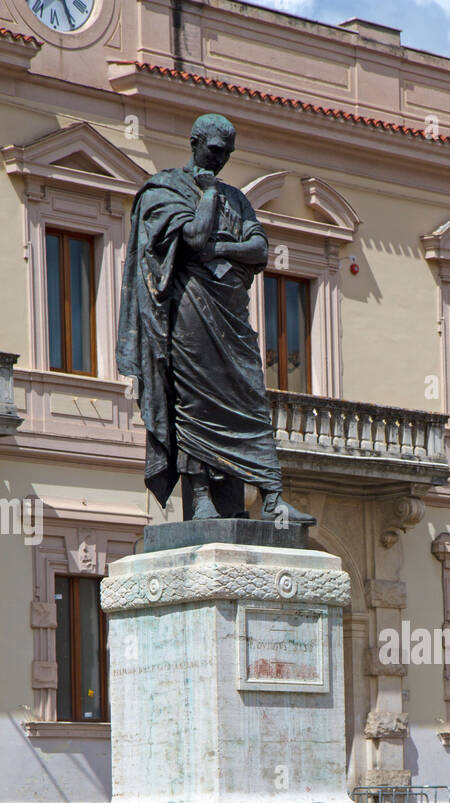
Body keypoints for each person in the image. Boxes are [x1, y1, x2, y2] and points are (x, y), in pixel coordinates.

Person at [117, 112, 304, 524]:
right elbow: (197, 239)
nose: (220, 161)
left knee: (252, 398)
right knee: (195, 403)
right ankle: (200, 498)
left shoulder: (236, 197)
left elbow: (259, 250)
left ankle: (272, 498)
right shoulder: (164, 189)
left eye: (227, 154)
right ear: (195, 142)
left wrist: (222, 250)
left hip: (232, 318)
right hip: (189, 314)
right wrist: (205, 198)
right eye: (215, 151)